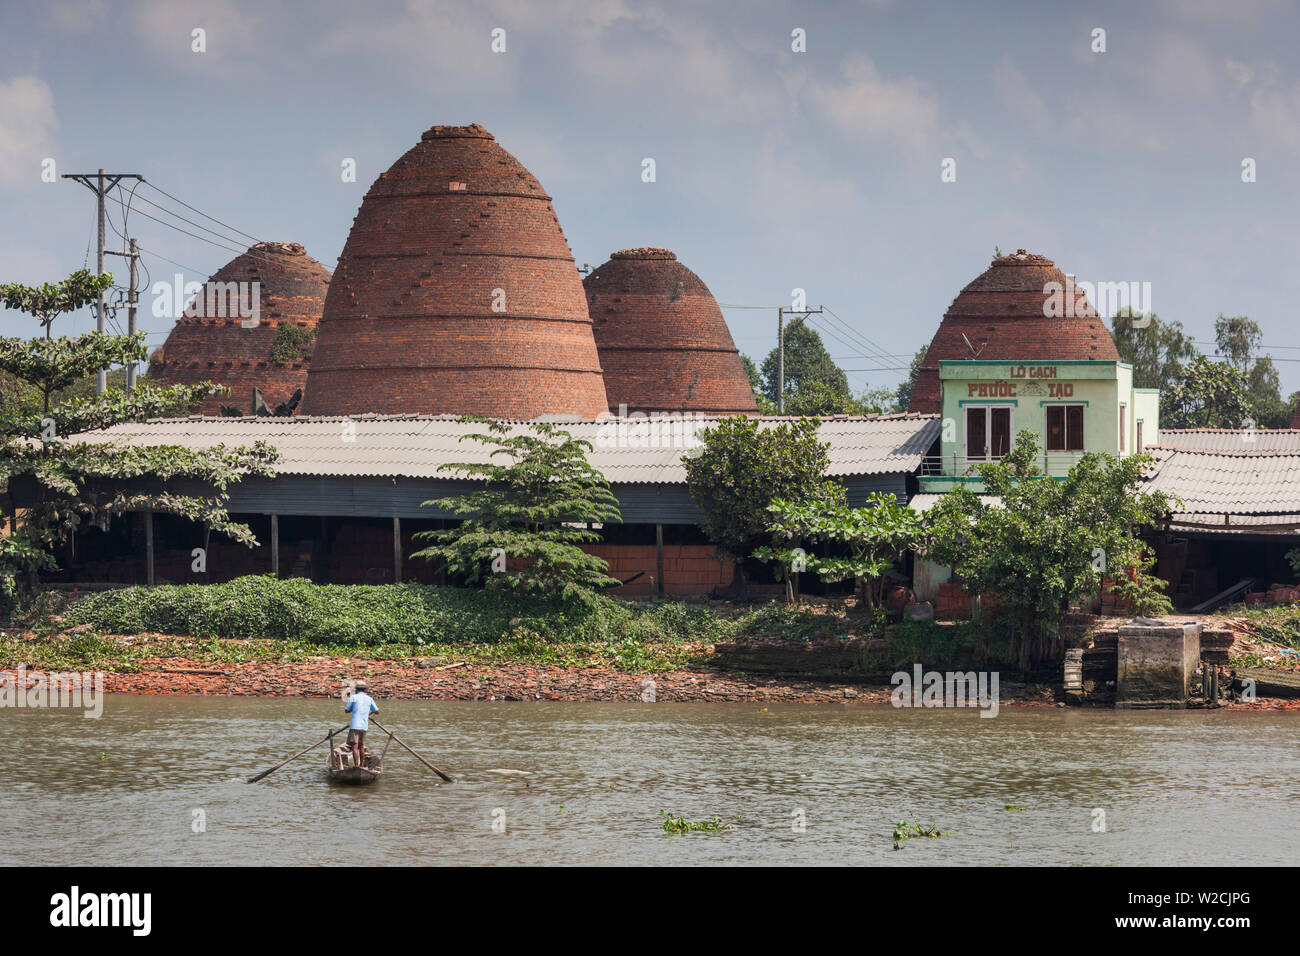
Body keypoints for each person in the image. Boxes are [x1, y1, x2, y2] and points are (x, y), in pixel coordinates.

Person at [345, 680, 378, 768]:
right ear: (365, 690)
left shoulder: (353, 698)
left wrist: (353, 709)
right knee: (361, 746)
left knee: (355, 746)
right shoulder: (369, 699)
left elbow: (346, 710)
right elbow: (377, 711)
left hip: (355, 725)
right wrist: (367, 712)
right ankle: (362, 765)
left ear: (356, 690)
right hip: (364, 726)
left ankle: (357, 766)